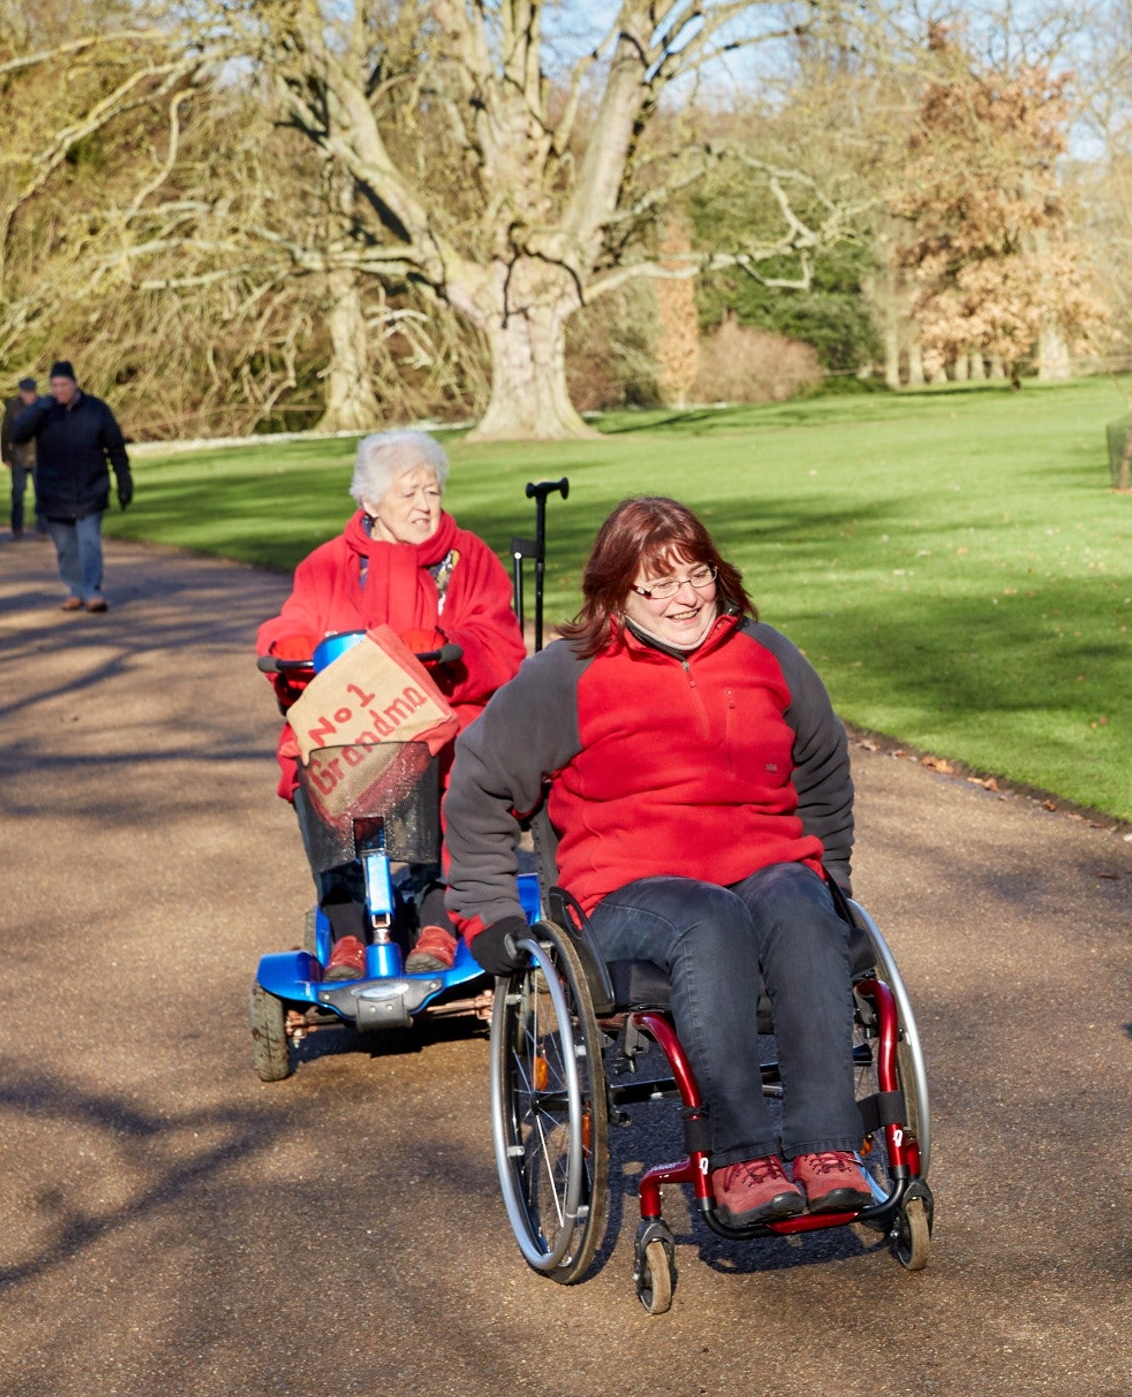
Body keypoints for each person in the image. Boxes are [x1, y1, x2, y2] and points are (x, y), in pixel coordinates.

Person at [444, 496, 868, 1229]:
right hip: (629, 894)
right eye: (656, 584)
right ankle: (740, 1155)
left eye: (695, 574)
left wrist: (828, 870)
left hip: (764, 867)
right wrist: (488, 909)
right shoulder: (566, 676)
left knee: (802, 907)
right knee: (710, 917)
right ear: (615, 592)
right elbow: (478, 786)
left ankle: (828, 1148)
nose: (684, 598)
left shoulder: (766, 654)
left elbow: (823, 768)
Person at [255, 431, 522, 980]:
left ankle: (436, 915)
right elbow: (294, 620)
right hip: (359, 720)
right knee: (311, 760)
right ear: (370, 504)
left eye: (433, 491)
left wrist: (449, 644)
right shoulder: (327, 565)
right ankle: (349, 925)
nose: (426, 505)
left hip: (444, 712)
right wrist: (286, 646)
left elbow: (498, 642)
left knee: (442, 759)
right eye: (410, 494)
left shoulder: (466, 559)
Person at [6, 360, 131, 612]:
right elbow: (17, 435)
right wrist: (36, 411)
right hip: (54, 491)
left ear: (75, 384)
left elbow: (115, 447)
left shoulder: (96, 409)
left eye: (63, 384)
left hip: (90, 488)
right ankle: (75, 590)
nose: (58, 390)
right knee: (66, 548)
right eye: (54, 385)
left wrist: (124, 480)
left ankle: (93, 591)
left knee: (89, 542)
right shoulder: (44, 411)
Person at [1, 377, 39, 537]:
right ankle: (17, 527)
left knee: (41, 494)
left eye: (31, 392)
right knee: (17, 494)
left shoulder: (42, 405)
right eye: (26, 392)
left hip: (38, 456)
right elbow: (5, 433)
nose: (29, 396)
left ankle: (42, 527)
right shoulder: (12, 407)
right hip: (18, 456)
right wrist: (6, 455)